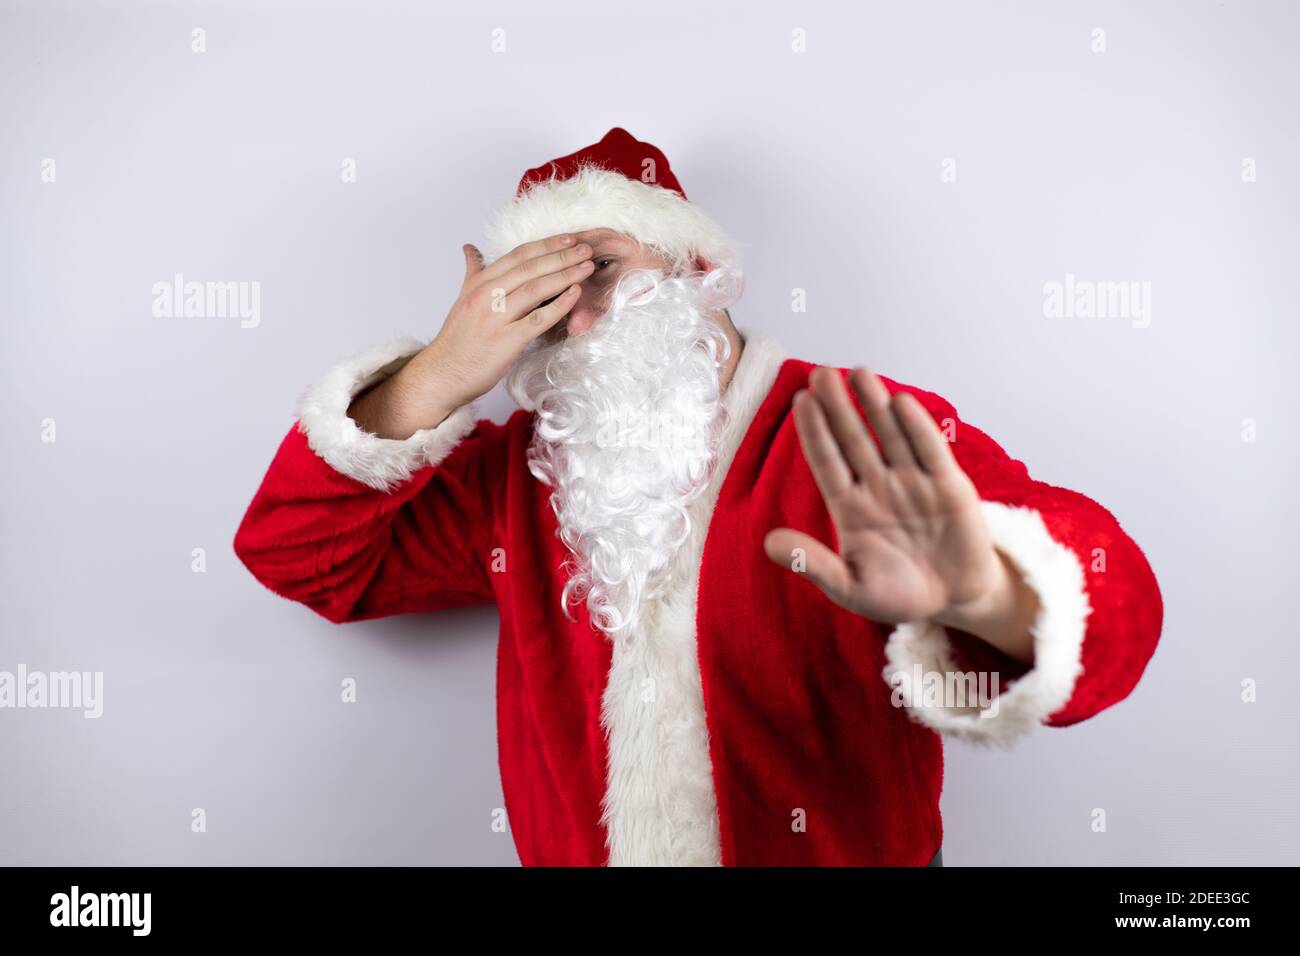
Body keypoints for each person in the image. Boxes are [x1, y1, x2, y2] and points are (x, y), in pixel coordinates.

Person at [234, 127, 1163, 866]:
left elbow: (1101, 596)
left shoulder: (850, 427)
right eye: (539, 301)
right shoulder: (519, 476)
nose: (579, 320)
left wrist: (989, 598)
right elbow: (299, 557)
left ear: (699, 271)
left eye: (598, 270)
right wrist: (436, 377)